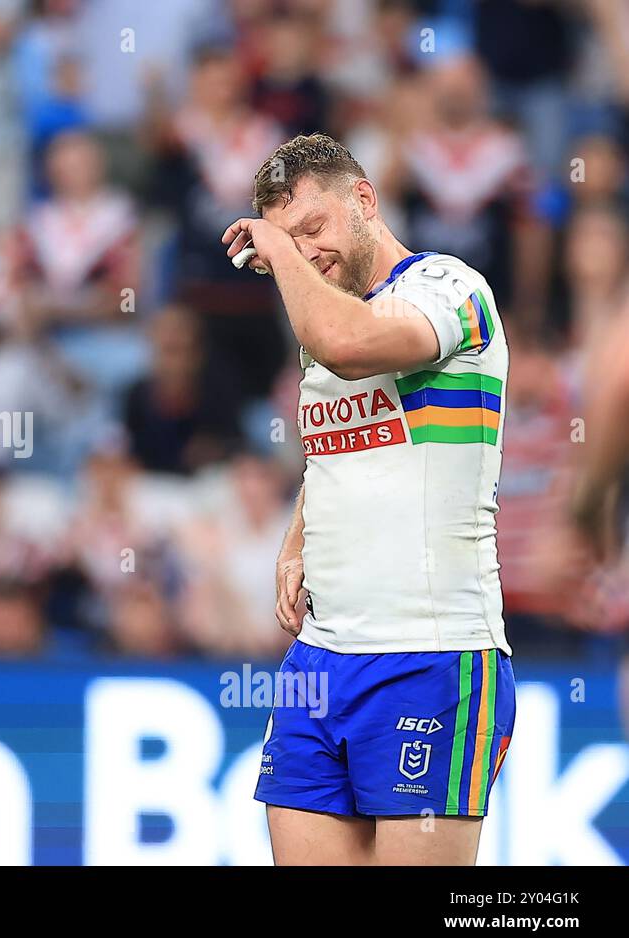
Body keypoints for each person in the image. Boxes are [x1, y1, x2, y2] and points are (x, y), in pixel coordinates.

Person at [223, 133, 514, 866]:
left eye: (312, 227)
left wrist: (279, 253)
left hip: (432, 655)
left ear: (365, 200)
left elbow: (350, 346)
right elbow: (335, 449)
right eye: (285, 239)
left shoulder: (451, 290)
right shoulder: (323, 321)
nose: (302, 250)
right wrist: (297, 539)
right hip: (319, 660)